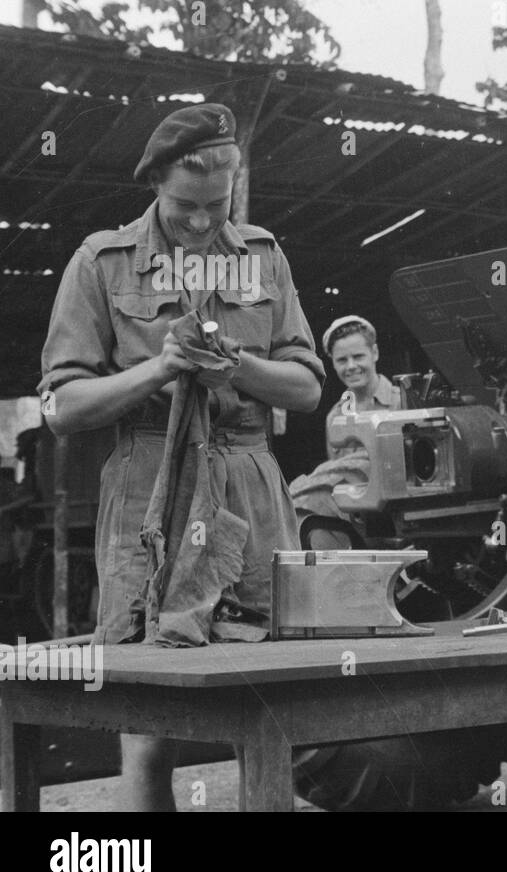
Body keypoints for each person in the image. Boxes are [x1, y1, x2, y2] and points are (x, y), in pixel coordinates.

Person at [38, 103, 324, 810]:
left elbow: (309, 386)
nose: (202, 221)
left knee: (270, 696)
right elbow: (62, 407)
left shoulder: (264, 258)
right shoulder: (100, 264)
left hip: (249, 487)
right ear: (155, 181)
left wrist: (239, 369)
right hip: (148, 490)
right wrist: (159, 369)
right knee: (146, 713)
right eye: (185, 205)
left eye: (217, 205)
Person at [320, 315, 402, 461]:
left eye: (358, 356)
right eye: (342, 360)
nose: (351, 366)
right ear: (332, 363)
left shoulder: (402, 403)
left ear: (375, 353)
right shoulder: (335, 416)